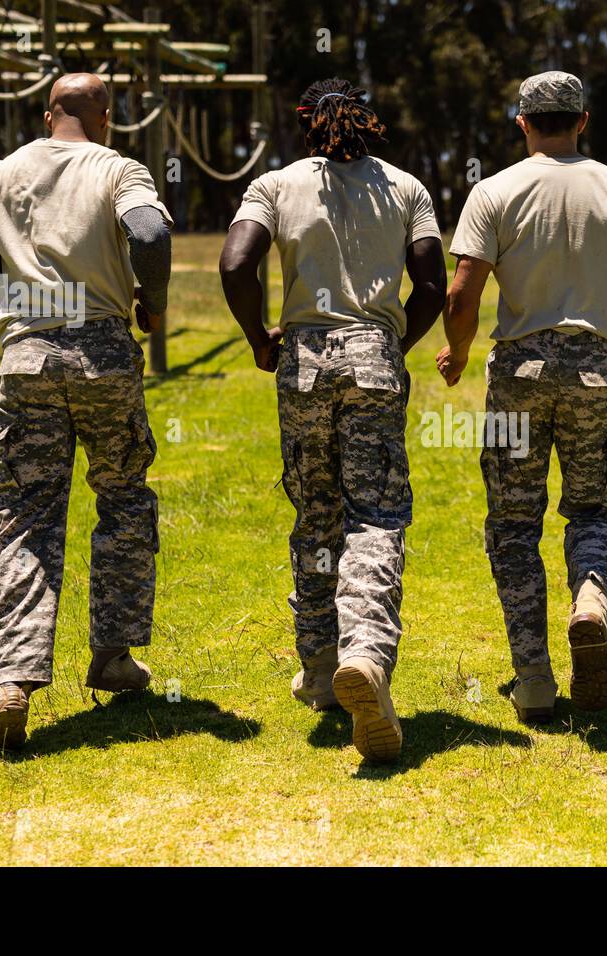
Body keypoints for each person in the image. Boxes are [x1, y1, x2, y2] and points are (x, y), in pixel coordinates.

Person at [439, 71, 607, 723]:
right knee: (594, 512)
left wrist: (458, 354)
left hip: (519, 373)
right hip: (598, 372)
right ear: (583, 120)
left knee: (514, 526)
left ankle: (535, 679)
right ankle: (592, 603)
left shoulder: (494, 192)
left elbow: (461, 295)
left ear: (522, 123)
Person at [219, 78, 445, 763]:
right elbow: (431, 285)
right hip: (374, 360)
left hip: (304, 364)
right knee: (374, 515)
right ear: (366, 122)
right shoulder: (407, 190)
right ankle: (367, 656)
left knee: (315, 515)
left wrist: (260, 338)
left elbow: (235, 262)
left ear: (306, 124)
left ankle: (320, 669)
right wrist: (393, 346)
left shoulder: (276, 185)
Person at [0, 73, 173, 752]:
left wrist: (13, 295)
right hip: (103, 355)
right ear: (107, 115)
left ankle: (13, 677)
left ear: (49, 113)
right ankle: (112, 657)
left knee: (25, 516)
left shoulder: (0, 171)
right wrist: (150, 303)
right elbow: (151, 234)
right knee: (124, 499)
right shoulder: (118, 167)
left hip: (27, 359)